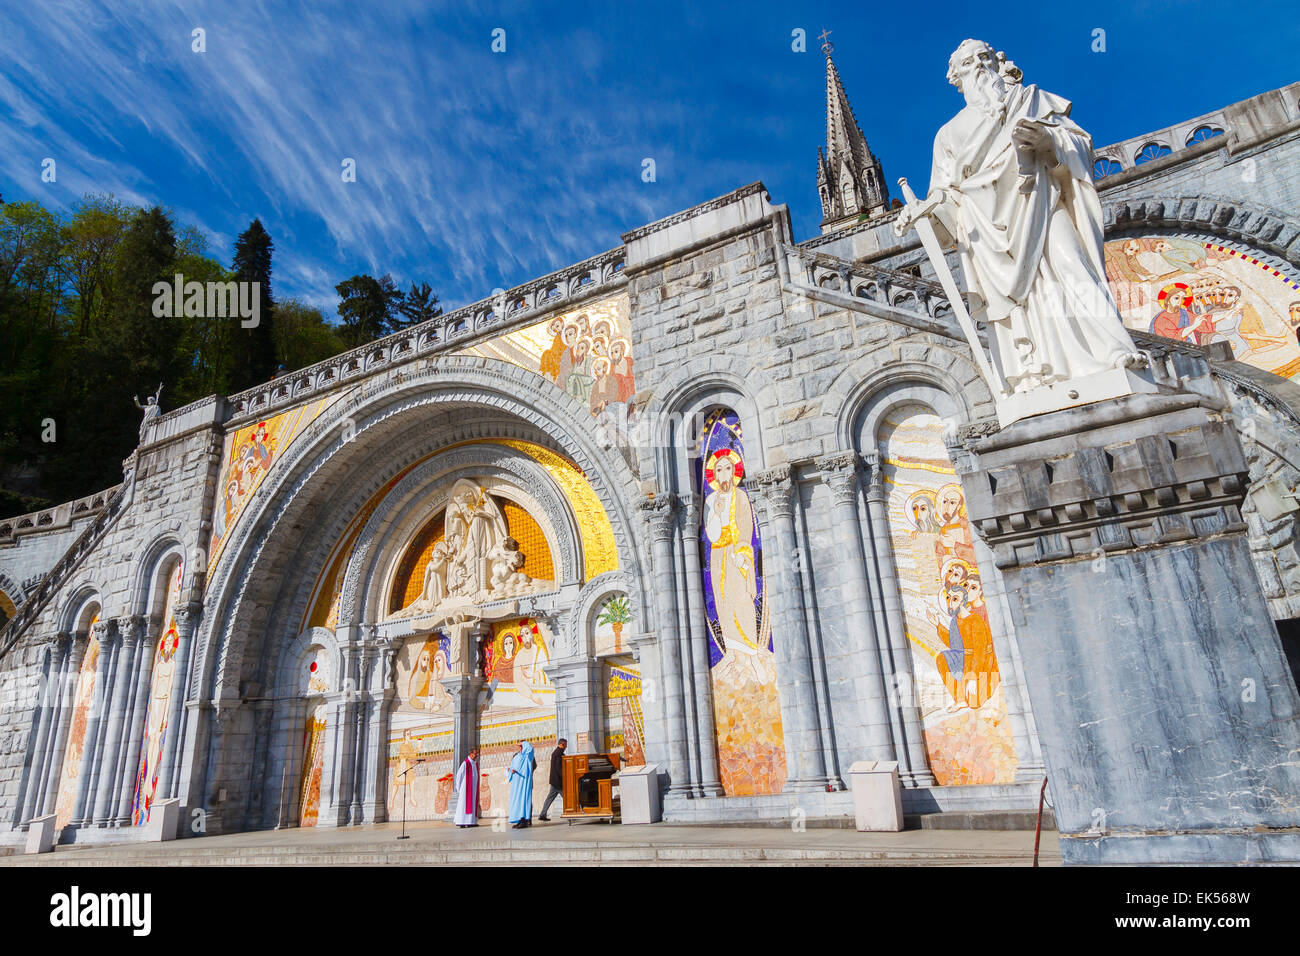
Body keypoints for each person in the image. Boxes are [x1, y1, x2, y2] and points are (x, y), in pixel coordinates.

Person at [506, 740, 536, 828]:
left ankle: (524, 820)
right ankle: (519, 819)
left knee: (523, 799)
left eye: (521, 746)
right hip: (516, 783)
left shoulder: (528, 756)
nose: (519, 747)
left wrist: (524, 743)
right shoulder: (516, 756)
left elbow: (530, 748)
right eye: (518, 746)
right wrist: (510, 770)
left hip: (524, 782)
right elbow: (512, 766)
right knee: (516, 801)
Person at [538, 737, 567, 821]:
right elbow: (559, 768)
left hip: (555, 781)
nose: (566, 747)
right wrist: (565, 777)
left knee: (550, 798)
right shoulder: (558, 753)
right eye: (565, 745)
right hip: (558, 782)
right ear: (562, 744)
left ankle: (542, 814)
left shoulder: (558, 752)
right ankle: (572, 812)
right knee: (567, 798)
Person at [453, 747, 480, 827]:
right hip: (465, 789)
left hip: (473, 789)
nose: (476, 756)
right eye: (475, 754)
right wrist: (459, 788)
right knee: (464, 805)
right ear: (470, 754)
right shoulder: (465, 763)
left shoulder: (475, 764)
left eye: (477, 754)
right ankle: (462, 821)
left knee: (472, 804)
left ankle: (471, 822)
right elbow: (459, 776)